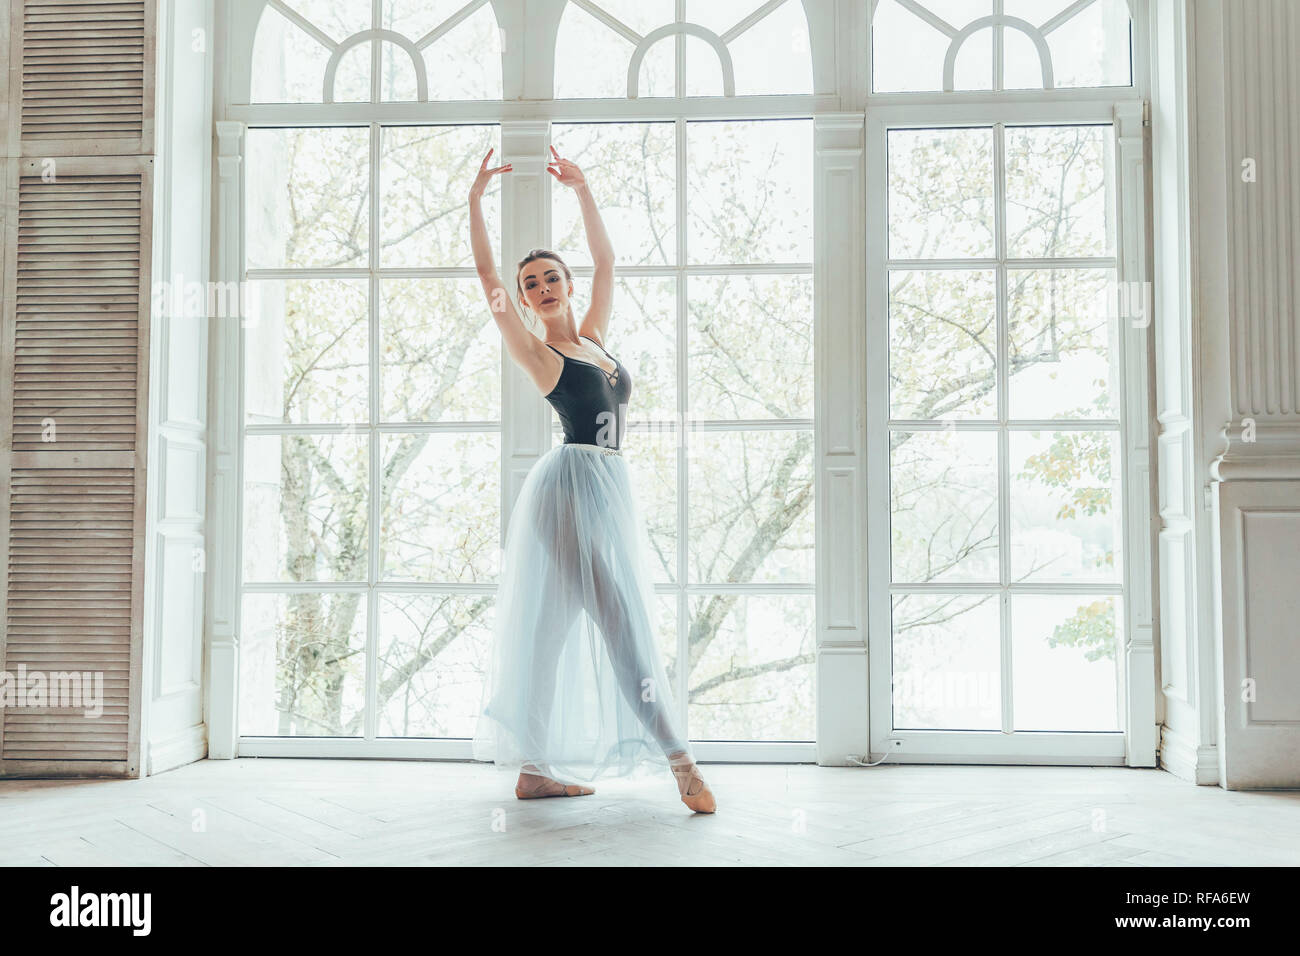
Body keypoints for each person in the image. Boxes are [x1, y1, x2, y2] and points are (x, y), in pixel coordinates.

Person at [467, 146, 716, 814]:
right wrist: (473, 204)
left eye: (551, 277)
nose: (543, 288)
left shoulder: (597, 339)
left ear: (566, 284)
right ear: (526, 301)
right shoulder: (538, 353)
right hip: (568, 489)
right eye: (532, 286)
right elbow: (488, 275)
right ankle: (680, 762)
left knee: (551, 629)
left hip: (609, 486)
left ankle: (532, 769)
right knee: (619, 619)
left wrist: (582, 190)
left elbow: (607, 262)